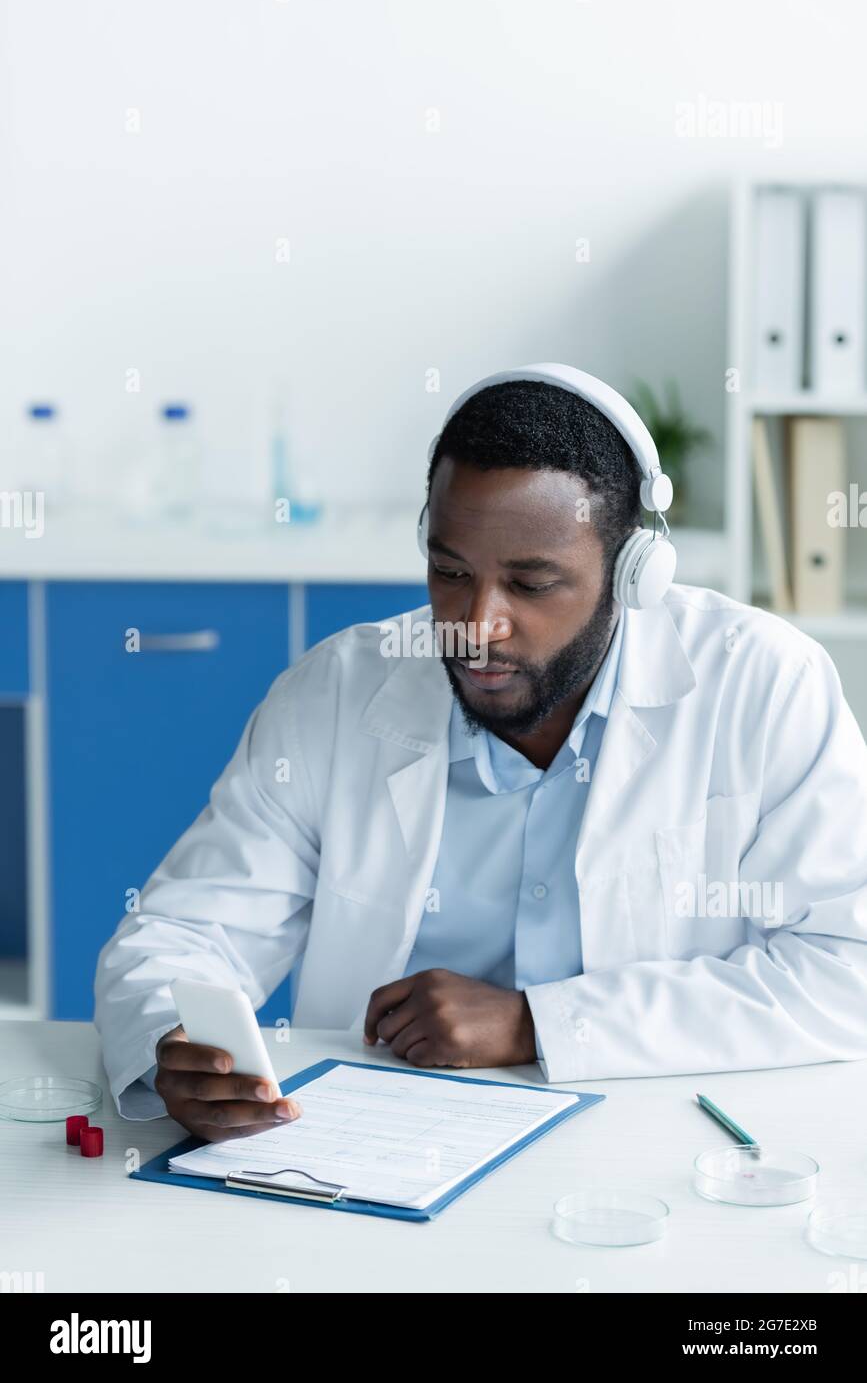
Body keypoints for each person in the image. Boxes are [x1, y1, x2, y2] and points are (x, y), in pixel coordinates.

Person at [94, 364, 867, 1141]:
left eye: (531, 585)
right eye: (449, 572)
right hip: (375, 1148)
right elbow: (182, 933)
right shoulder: (334, 691)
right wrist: (177, 1046)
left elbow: (846, 971)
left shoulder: (761, 684)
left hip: (648, 1144)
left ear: (630, 574)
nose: (477, 623)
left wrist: (539, 1024)